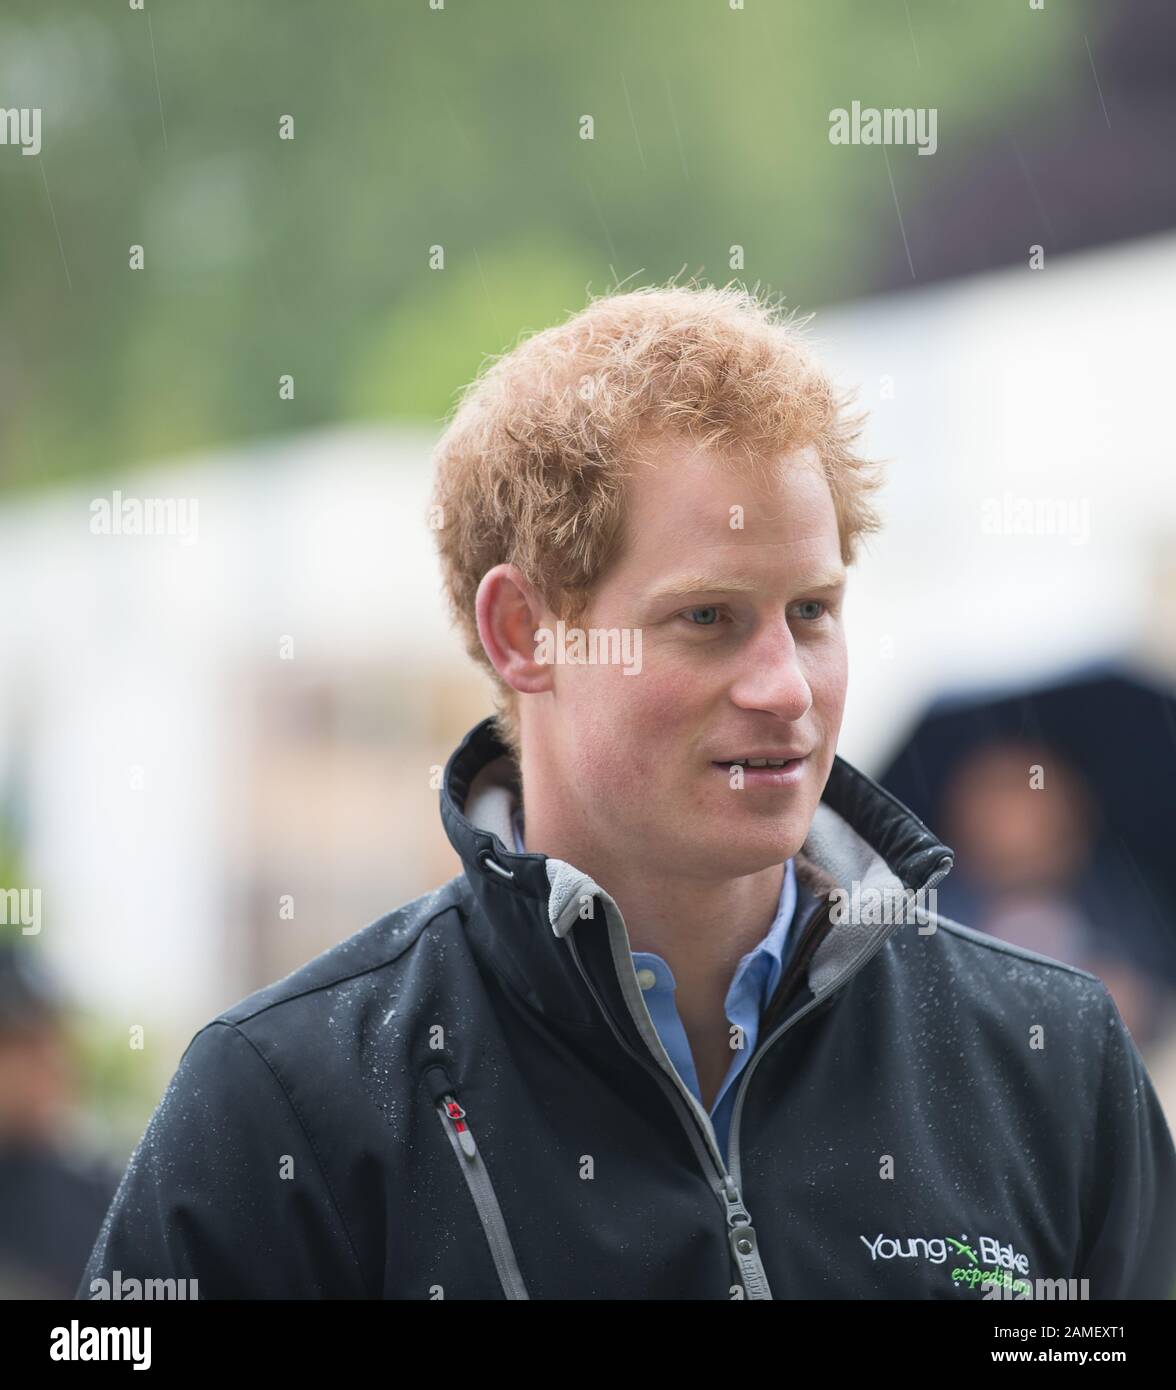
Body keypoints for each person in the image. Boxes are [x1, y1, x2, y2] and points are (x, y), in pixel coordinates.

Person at [79, 283, 1176, 1299]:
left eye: (812, 611)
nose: (786, 687)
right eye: (707, 618)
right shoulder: (285, 1098)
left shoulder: (1056, 1059)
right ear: (525, 633)